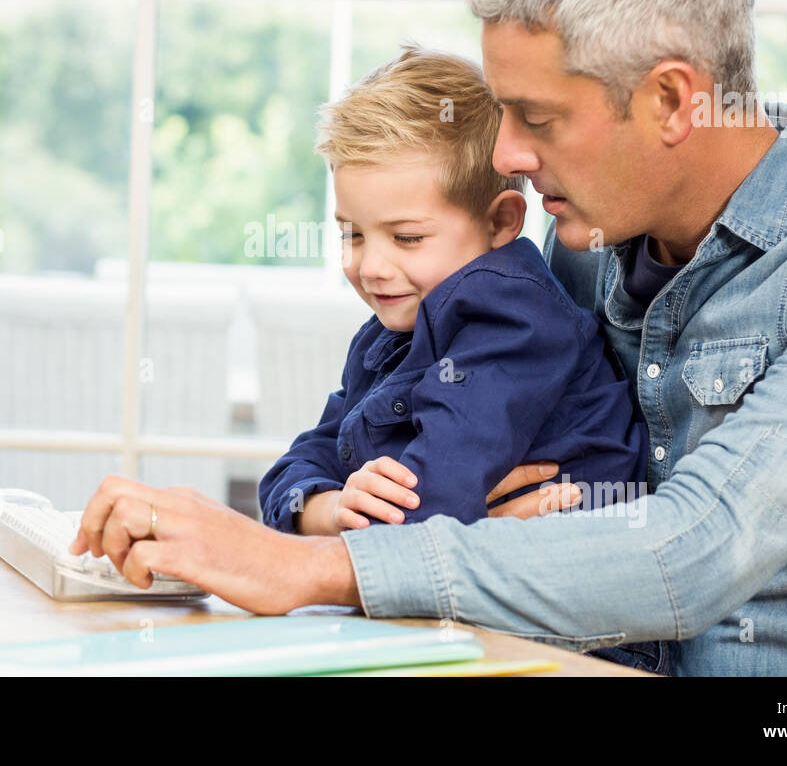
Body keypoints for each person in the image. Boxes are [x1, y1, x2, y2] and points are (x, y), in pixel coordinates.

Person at [72, 0, 787, 676]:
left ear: (675, 101)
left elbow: (698, 548)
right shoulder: (585, 238)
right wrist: (335, 512)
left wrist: (311, 566)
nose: (506, 158)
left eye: (537, 119)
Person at [258, 45, 649, 541]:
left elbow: (421, 512)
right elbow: (295, 469)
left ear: (501, 222)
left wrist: (352, 518)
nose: (371, 267)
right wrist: (332, 507)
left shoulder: (518, 327)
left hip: (562, 596)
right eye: (352, 234)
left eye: (407, 238)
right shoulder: (387, 335)